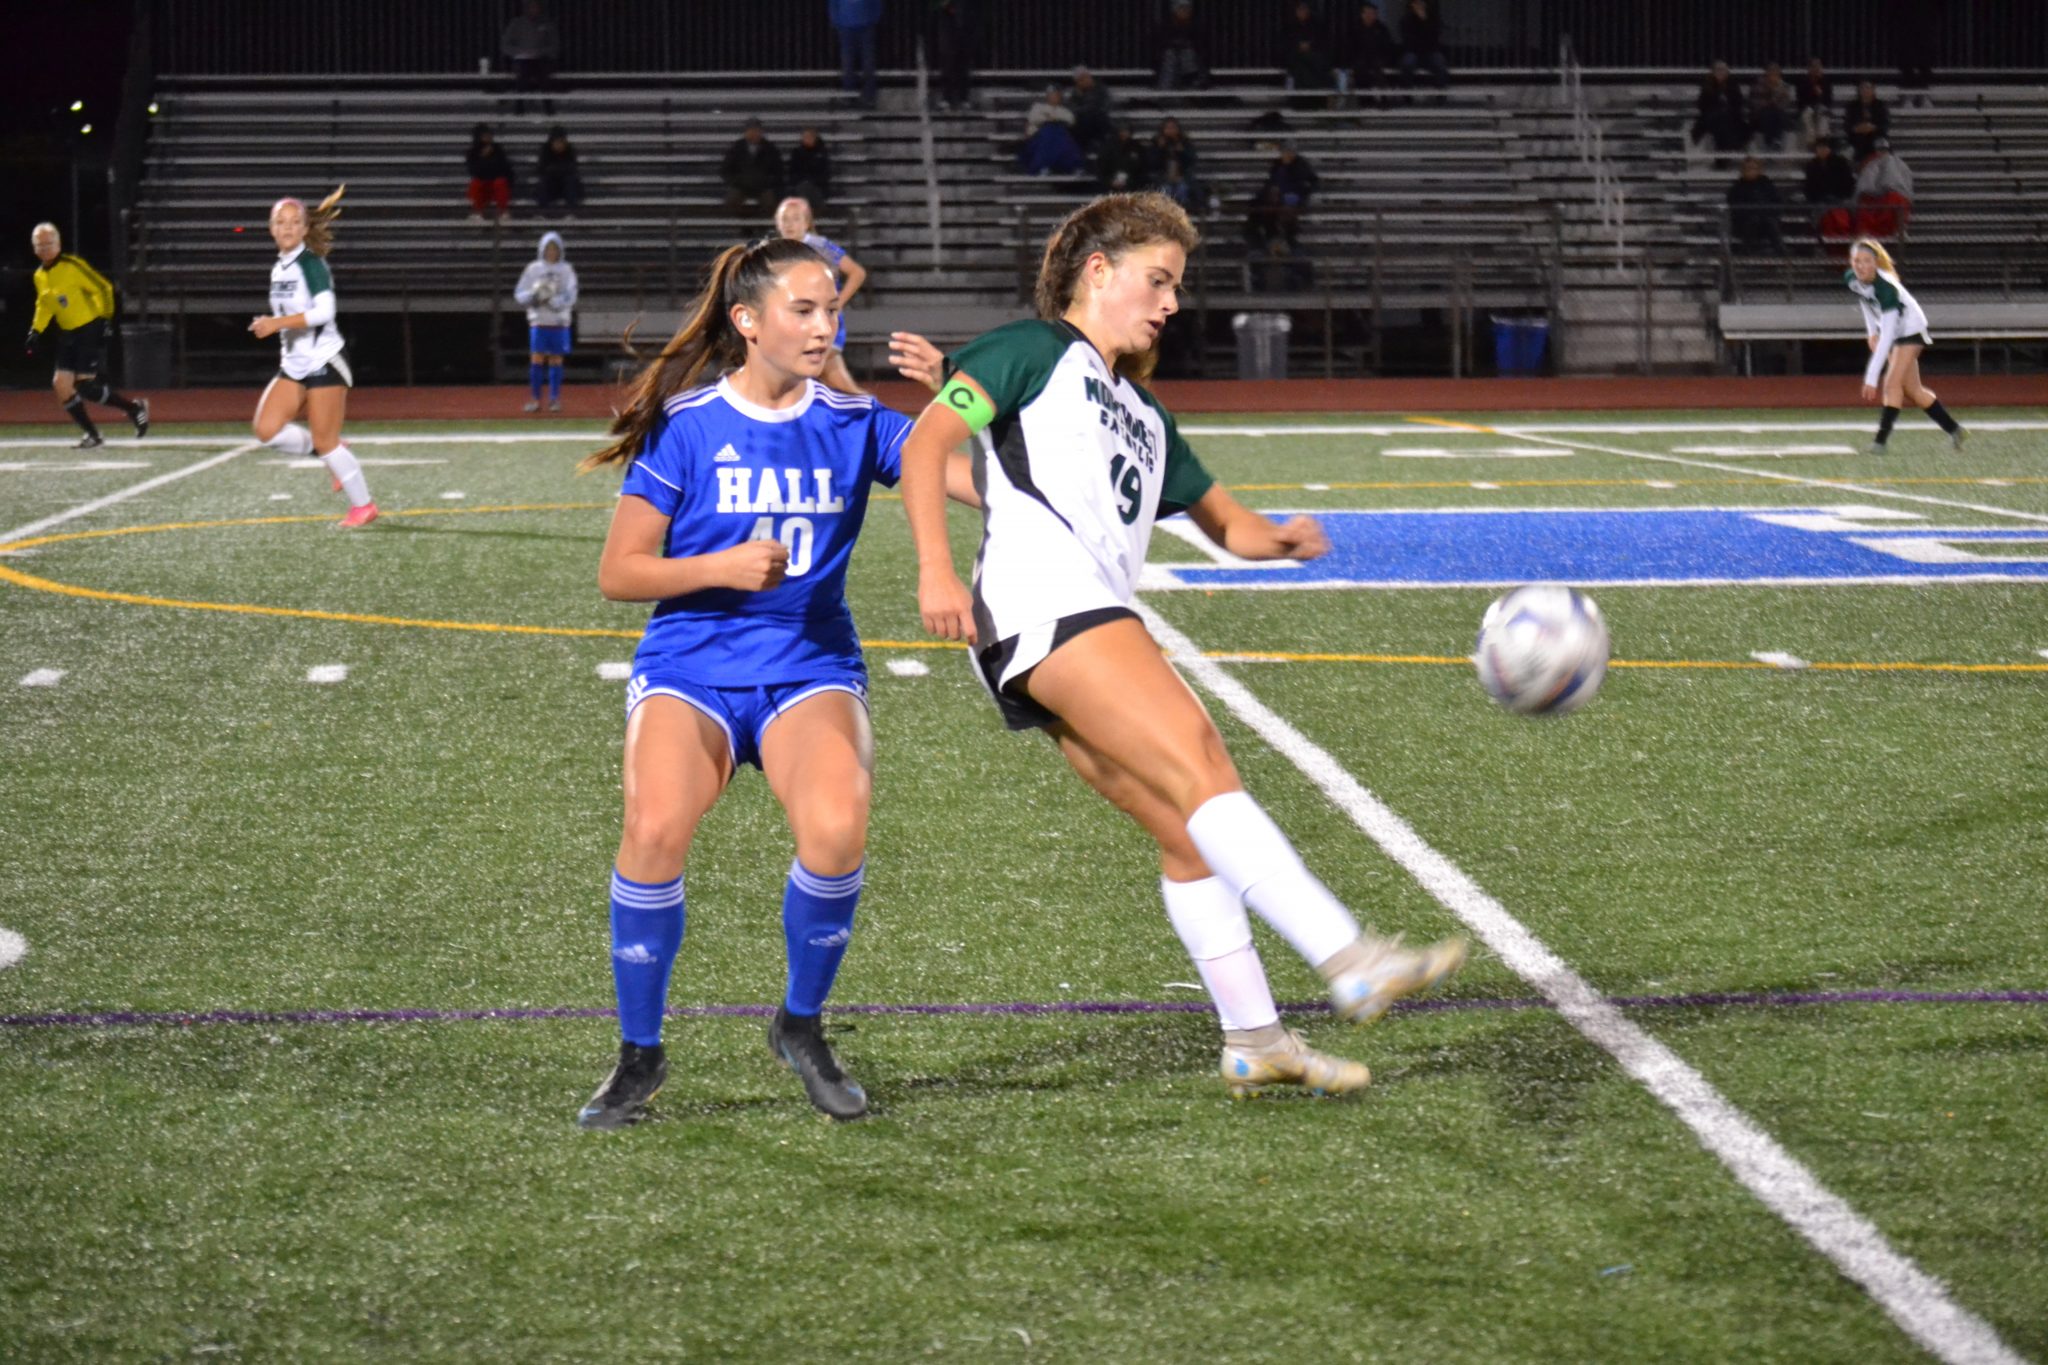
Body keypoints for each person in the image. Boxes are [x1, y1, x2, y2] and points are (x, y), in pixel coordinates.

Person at [895, 193, 1466, 1097]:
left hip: (1054, 621)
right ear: (1097, 271)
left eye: (1177, 286)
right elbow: (927, 445)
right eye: (1157, 280)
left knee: (1189, 832)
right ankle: (1348, 954)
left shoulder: (1148, 417)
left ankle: (1256, 1039)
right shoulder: (1031, 349)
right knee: (1204, 764)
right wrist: (933, 568)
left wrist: (1277, 538)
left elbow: (1229, 526)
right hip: (1049, 603)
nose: (1171, 302)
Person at [569, 236, 976, 1129]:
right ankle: (639, 1053)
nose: (827, 325)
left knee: (837, 827)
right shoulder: (688, 424)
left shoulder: (858, 421)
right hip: (691, 666)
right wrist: (714, 566)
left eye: (834, 309)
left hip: (809, 662)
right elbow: (621, 571)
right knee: (654, 826)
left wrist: (959, 391)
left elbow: (978, 485)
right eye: (805, 309)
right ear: (748, 322)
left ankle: (800, 1023)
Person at [248, 188, 377, 529]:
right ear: (271, 228)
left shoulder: (310, 263)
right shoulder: (280, 268)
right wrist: (273, 326)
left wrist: (276, 323)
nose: (287, 228)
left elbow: (324, 311)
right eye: (281, 222)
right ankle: (330, 452)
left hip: (325, 359)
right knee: (266, 430)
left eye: (294, 222)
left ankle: (363, 505)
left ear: (304, 229)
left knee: (325, 440)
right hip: (295, 364)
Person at [25, 223, 148, 449]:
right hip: (68, 332)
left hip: (88, 329)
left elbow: (103, 288)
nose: (44, 248)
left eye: (49, 244)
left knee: (85, 386)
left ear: (59, 244)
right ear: (34, 249)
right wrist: (36, 330)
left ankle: (134, 408)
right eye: (40, 245)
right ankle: (93, 435)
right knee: (61, 385)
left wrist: (106, 319)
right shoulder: (39, 275)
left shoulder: (72, 266)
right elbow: (44, 304)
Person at [1847, 238, 1965, 455]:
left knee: (1892, 383)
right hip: (1893, 330)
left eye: (1866, 261)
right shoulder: (1852, 278)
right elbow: (1865, 301)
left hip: (1910, 330)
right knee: (1913, 390)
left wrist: (1871, 377)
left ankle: (1880, 442)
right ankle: (1955, 429)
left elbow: (1889, 335)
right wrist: (1871, 331)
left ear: (1876, 263)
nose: (1861, 266)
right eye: (1856, 261)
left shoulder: (1887, 289)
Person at [774, 196, 867, 393]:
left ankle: (873, 415)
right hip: (798, 322)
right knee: (823, 381)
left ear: (807, 222)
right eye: (785, 219)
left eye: (796, 219)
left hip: (821, 322)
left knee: (828, 379)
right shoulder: (776, 251)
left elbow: (857, 272)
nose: (790, 224)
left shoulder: (821, 246)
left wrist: (837, 304)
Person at [515, 230, 578, 413]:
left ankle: (554, 399)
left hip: (558, 322)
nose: (551, 252)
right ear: (542, 250)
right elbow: (520, 293)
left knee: (556, 360)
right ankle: (535, 399)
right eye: (548, 249)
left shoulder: (566, 270)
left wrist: (555, 301)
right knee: (536, 359)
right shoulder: (533, 269)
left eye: (554, 249)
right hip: (539, 321)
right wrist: (534, 297)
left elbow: (571, 293)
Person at [500, 0, 559, 115]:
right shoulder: (516, 24)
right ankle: (519, 107)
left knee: (544, 76)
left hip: (542, 60)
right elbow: (505, 45)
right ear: (526, 8)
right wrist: (520, 52)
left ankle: (548, 106)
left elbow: (555, 46)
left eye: (536, 7)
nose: (533, 10)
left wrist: (540, 52)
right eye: (531, 7)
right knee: (521, 75)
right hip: (523, 60)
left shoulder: (547, 24)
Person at [721, 118, 785, 214]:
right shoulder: (736, 147)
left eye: (756, 130)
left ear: (761, 132)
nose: (754, 133)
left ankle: (764, 227)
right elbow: (725, 169)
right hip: (741, 186)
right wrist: (737, 181)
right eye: (751, 130)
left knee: (770, 203)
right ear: (745, 132)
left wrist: (767, 181)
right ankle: (740, 225)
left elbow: (778, 170)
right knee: (731, 201)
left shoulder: (770, 148)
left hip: (763, 187)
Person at [1018, 87, 1086, 176]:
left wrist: (1051, 118)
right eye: (1052, 95)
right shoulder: (1038, 107)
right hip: (1039, 138)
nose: (1054, 97)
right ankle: (1042, 166)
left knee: (1058, 133)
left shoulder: (1064, 110)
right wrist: (1052, 119)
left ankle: (1072, 166)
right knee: (1049, 131)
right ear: (1047, 97)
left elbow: (1070, 120)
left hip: (1058, 138)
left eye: (1057, 96)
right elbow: (1034, 118)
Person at [1336, 2, 1398, 99]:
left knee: (1378, 66)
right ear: (1362, 14)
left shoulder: (1381, 28)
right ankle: (1365, 99)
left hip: (1378, 57)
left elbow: (1387, 46)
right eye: (1367, 13)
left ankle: (1384, 98)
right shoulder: (1354, 28)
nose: (1370, 16)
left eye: (1373, 13)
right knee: (1360, 67)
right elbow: (1349, 47)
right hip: (1360, 58)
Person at [1726, 156, 1786, 254]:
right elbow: (1735, 207)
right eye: (1748, 168)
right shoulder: (1737, 187)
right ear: (1743, 171)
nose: (1751, 171)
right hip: (1745, 223)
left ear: (1759, 170)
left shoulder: (1766, 183)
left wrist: (1765, 212)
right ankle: (1746, 251)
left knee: (1769, 221)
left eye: (1754, 168)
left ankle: (1780, 252)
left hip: (1766, 220)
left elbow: (1776, 201)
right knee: (1753, 220)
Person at [829, 0, 881, 109]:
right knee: (865, 62)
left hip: (849, 24)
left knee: (851, 62)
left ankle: (850, 96)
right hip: (862, 24)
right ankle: (867, 96)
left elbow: (833, 5)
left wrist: (836, 21)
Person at [1148, 116, 1207, 212]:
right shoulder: (1156, 143)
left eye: (1173, 128)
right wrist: (1159, 149)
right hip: (1163, 177)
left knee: (1182, 189)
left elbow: (1192, 160)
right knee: (1166, 191)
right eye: (1168, 128)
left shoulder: (1184, 142)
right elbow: (1151, 163)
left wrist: (1182, 151)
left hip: (1182, 177)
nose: (1170, 131)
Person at [1692, 61, 1748, 157]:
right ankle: (1724, 154)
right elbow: (1702, 105)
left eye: (1723, 70)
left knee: (1727, 124)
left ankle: (1723, 155)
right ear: (1713, 72)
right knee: (1720, 123)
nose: (1720, 73)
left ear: (1727, 72)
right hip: (1711, 117)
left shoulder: (1733, 84)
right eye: (1718, 70)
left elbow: (1739, 103)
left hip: (1730, 116)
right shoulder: (1707, 85)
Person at [928, 0, 977, 112]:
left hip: (964, 19)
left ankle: (963, 99)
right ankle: (947, 99)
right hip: (948, 21)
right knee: (947, 60)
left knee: (963, 61)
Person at [1155, 1, 1210, 91]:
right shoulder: (1165, 26)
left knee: (1187, 54)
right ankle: (1166, 87)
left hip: (1193, 63)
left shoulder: (1197, 26)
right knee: (1170, 55)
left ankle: (1191, 83)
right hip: (1169, 62)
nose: (1185, 11)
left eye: (1187, 8)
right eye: (1181, 8)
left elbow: (1202, 50)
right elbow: (1159, 49)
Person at [467, 124, 515, 222]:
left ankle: (503, 211)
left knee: (500, 182)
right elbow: (474, 171)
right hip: (483, 185)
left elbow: (504, 169)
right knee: (476, 183)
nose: (488, 138)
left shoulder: (498, 150)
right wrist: (483, 158)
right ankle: (478, 212)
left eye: (489, 135)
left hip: (496, 185)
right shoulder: (473, 152)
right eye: (485, 136)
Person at [1398, 0, 1449, 91]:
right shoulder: (1405, 20)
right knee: (1407, 64)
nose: (1418, 6)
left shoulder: (1433, 18)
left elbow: (1434, 37)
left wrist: (1424, 20)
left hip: (1431, 51)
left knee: (1440, 63)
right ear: (1411, 5)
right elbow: (1408, 40)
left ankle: (1441, 92)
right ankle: (1407, 91)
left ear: (1425, 4)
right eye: (1416, 3)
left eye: (1420, 3)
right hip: (1413, 51)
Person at [534, 126, 584, 215]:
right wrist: (558, 169)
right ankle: (542, 213)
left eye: (561, 142)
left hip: (566, 186)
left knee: (570, 181)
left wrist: (554, 169)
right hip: (551, 185)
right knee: (543, 182)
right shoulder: (546, 150)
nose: (559, 145)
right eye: (556, 142)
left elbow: (573, 168)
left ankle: (572, 213)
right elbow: (541, 169)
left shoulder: (570, 150)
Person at [1066, 67, 1116, 152]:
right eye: (1081, 79)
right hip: (1083, 124)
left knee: (1096, 118)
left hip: (1099, 122)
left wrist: (1087, 108)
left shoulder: (1101, 89)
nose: (1085, 80)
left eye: (1086, 77)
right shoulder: (1075, 94)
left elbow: (1106, 106)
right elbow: (1073, 109)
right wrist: (1080, 97)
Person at [1093, 123, 1151, 193]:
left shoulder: (1137, 147)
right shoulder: (1107, 147)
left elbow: (1143, 169)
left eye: (1126, 131)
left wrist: (1130, 181)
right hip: (1110, 183)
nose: (1124, 133)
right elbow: (1100, 168)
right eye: (1121, 131)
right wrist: (1110, 181)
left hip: (1132, 184)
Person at [1748, 62, 1795, 149]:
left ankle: (1774, 142)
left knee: (1777, 113)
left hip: (1779, 116)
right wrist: (1772, 97)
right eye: (1771, 71)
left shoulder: (1784, 86)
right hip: (1760, 116)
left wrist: (1777, 91)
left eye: (1776, 71)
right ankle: (1773, 142)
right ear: (1766, 73)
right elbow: (1756, 105)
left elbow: (1785, 106)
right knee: (1769, 113)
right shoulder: (1758, 85)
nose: (1773, 73)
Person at [787, 127, 834, 208]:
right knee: (804, 190)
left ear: (815, 138)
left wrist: (812, 181)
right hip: (801, 185)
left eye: (810, 137)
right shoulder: (797, 153)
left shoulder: (822, 153)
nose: (807, 139)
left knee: (811, 192)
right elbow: (793, 172)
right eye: (805, 137)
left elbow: (825, 173)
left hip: (818, 186)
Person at [1843, 80, 1889, 161]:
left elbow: (1885, 124)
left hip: (1876, 137)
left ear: (1873, 90)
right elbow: (1846, 125)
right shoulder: (1852, 106)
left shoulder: (1880, 105)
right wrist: (1857, 128)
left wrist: (1873, 127)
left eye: (1868, 88)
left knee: (1882, 146)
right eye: (1862, 88)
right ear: (1859, 91)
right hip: (1856, 138)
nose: (1865, 90)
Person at [1803, 136, 1855, 207]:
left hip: (1838, 198)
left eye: (1824, 148)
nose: (1822, 150)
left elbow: (1847, 181)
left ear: (1830, 149)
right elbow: (1809, 184)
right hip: (1818, 200)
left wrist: (1843, 196)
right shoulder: (1812, 164)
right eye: (1819, 148)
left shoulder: (1840, 162)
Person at [1795, 57, 1834, 148]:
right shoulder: (1802, 81)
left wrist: (1821, 95)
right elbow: (1801, 100)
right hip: (1807, 109)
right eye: (1814, 66)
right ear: (1809, 68)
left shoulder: (1826, 81)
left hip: (1821, 108)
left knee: (1823, 116)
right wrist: (1813, 92)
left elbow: (1828, 101)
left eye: (1818, 66)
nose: (1816, 69)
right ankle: (1812, 142)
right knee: (1808, 114)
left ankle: (1821, 141)